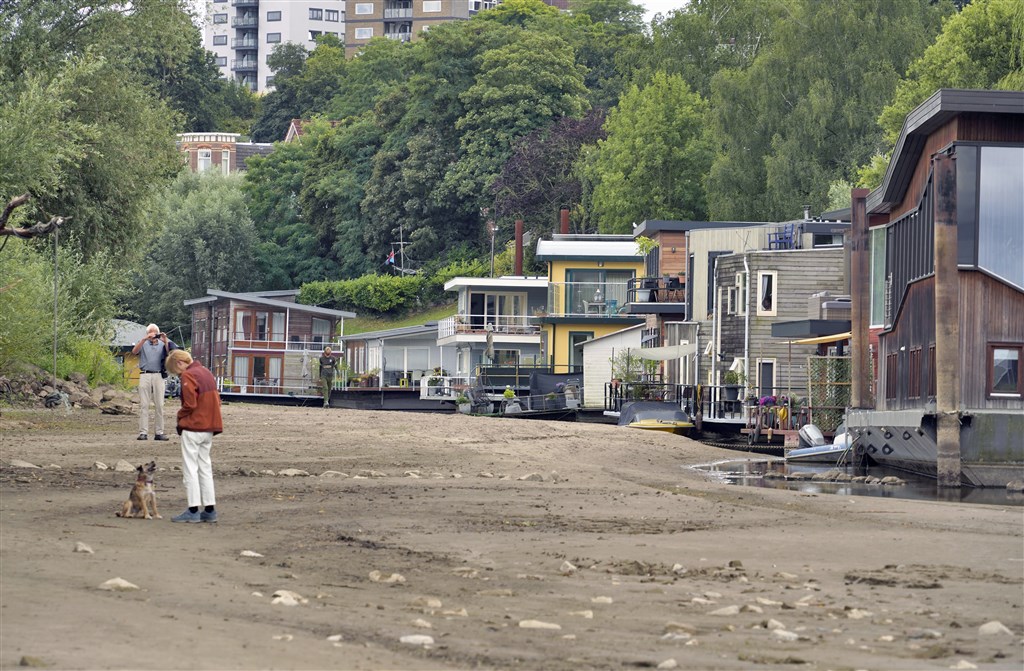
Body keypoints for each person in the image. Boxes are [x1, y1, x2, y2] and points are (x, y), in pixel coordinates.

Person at [165, 349, 222, 524]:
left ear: (179, 363)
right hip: (209, 427)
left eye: (176, 372)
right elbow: (217, 401)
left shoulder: (188, 375)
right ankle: (210, 509)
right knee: (205, 467)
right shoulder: (206, 372)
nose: (178, 375)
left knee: (190, 468)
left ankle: (193, 509)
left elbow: (190, 404)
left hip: (194, 426)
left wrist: (179, 415)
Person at [131, 324, 178, 441]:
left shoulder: (163, 344)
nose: (153, 336)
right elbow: (134, 351)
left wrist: (165, 340)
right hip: (145, 374)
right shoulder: (143, 343)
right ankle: (143, 432)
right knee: (144, 405)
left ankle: (159, 432)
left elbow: (171, 354)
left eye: (154, 333)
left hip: (158, 375)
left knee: (160, 405)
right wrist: (144, 339)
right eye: (150, 333)